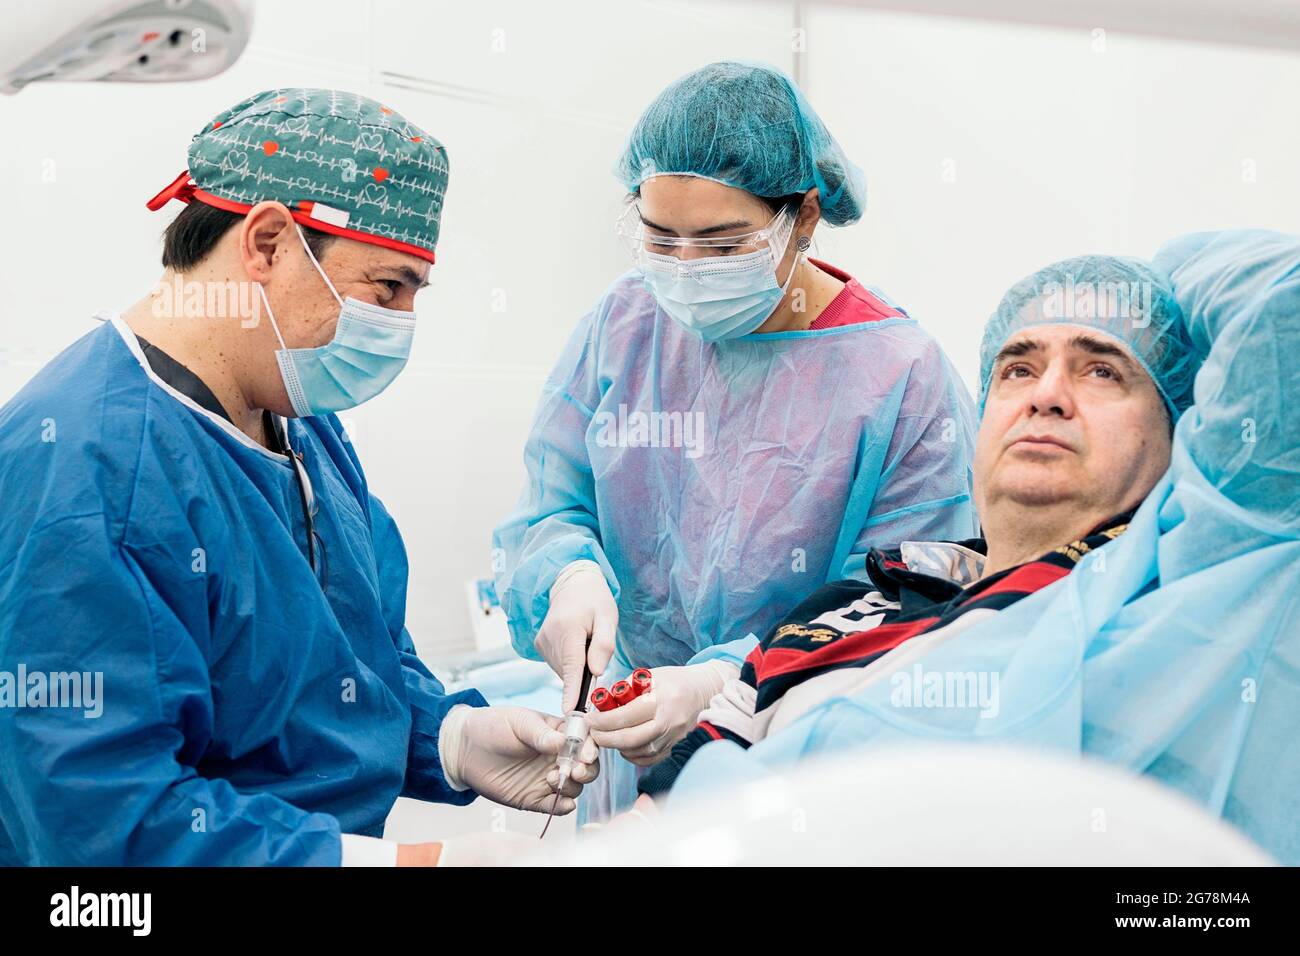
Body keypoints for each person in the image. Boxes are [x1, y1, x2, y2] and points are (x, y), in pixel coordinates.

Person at [0, 88, 596, 867]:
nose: (401, 323)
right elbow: (100, 822)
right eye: (386, 288)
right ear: (270, 241)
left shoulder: (300, 425)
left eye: (416, 292)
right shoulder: (87, 467)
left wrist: (449, 737)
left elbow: (341, 670)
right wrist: (402, 864)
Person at [632, 235, 1300, 865]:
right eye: (1018, 368)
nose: (1046, 396)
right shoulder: (851, 604)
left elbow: (1284, 301)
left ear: (1178, 428)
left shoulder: (1175, 573)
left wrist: (1162, 281)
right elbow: (668, 806)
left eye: (1102, 369)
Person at [492, 61, 979, 822]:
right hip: (620, 750)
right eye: (661, 238)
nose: (685, 273)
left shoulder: (902, 377)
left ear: (805, 217)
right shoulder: (624, 324)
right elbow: (552, 502)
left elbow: (901, 599)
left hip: (794, 759)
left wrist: (721, 683)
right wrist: (566, 577)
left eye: (722, 248)